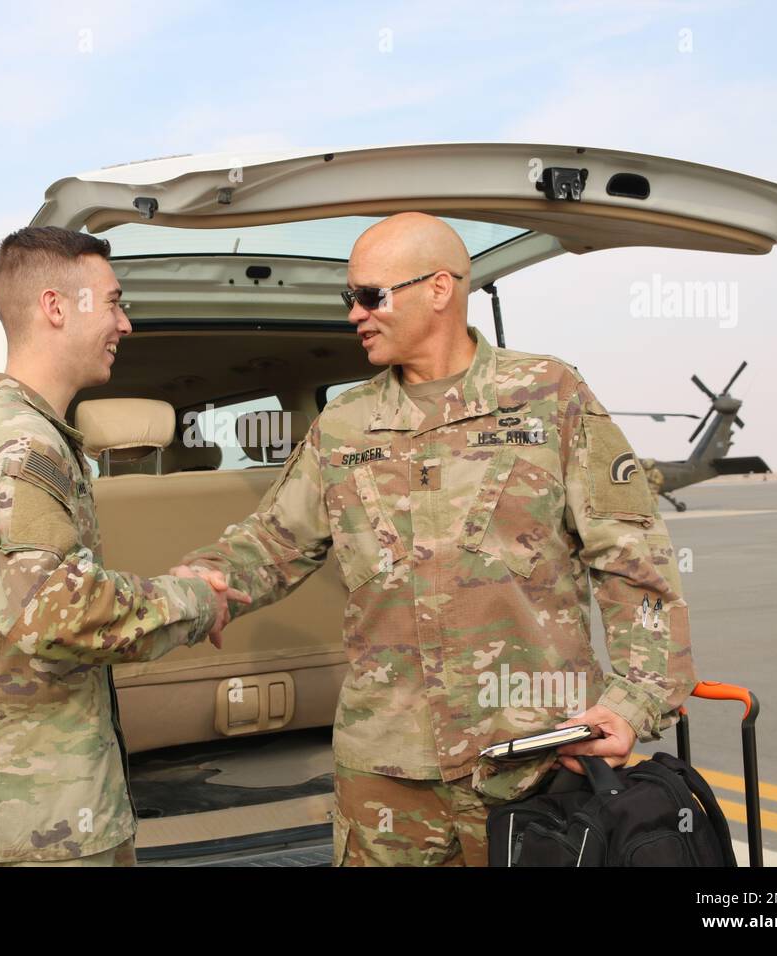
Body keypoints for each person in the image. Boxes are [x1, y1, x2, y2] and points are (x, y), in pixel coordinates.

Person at [173, 212, 695, 866]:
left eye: (370, 296)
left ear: (440, 289)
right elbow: (269, 546)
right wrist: (198, 587)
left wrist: (634, 698)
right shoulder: (344, 426)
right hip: (386, 778)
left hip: (531, 763)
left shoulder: (548, 397)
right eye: (349, 299)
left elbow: (634, 563)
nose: (354, 315)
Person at [0, 226, 244, 866]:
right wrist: (197, 601)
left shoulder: (26, 434)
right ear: (55, 307)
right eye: (114, 302)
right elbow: (56, 611)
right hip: (36, 823)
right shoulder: (22, 446)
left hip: (45, 809)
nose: (126, 323)